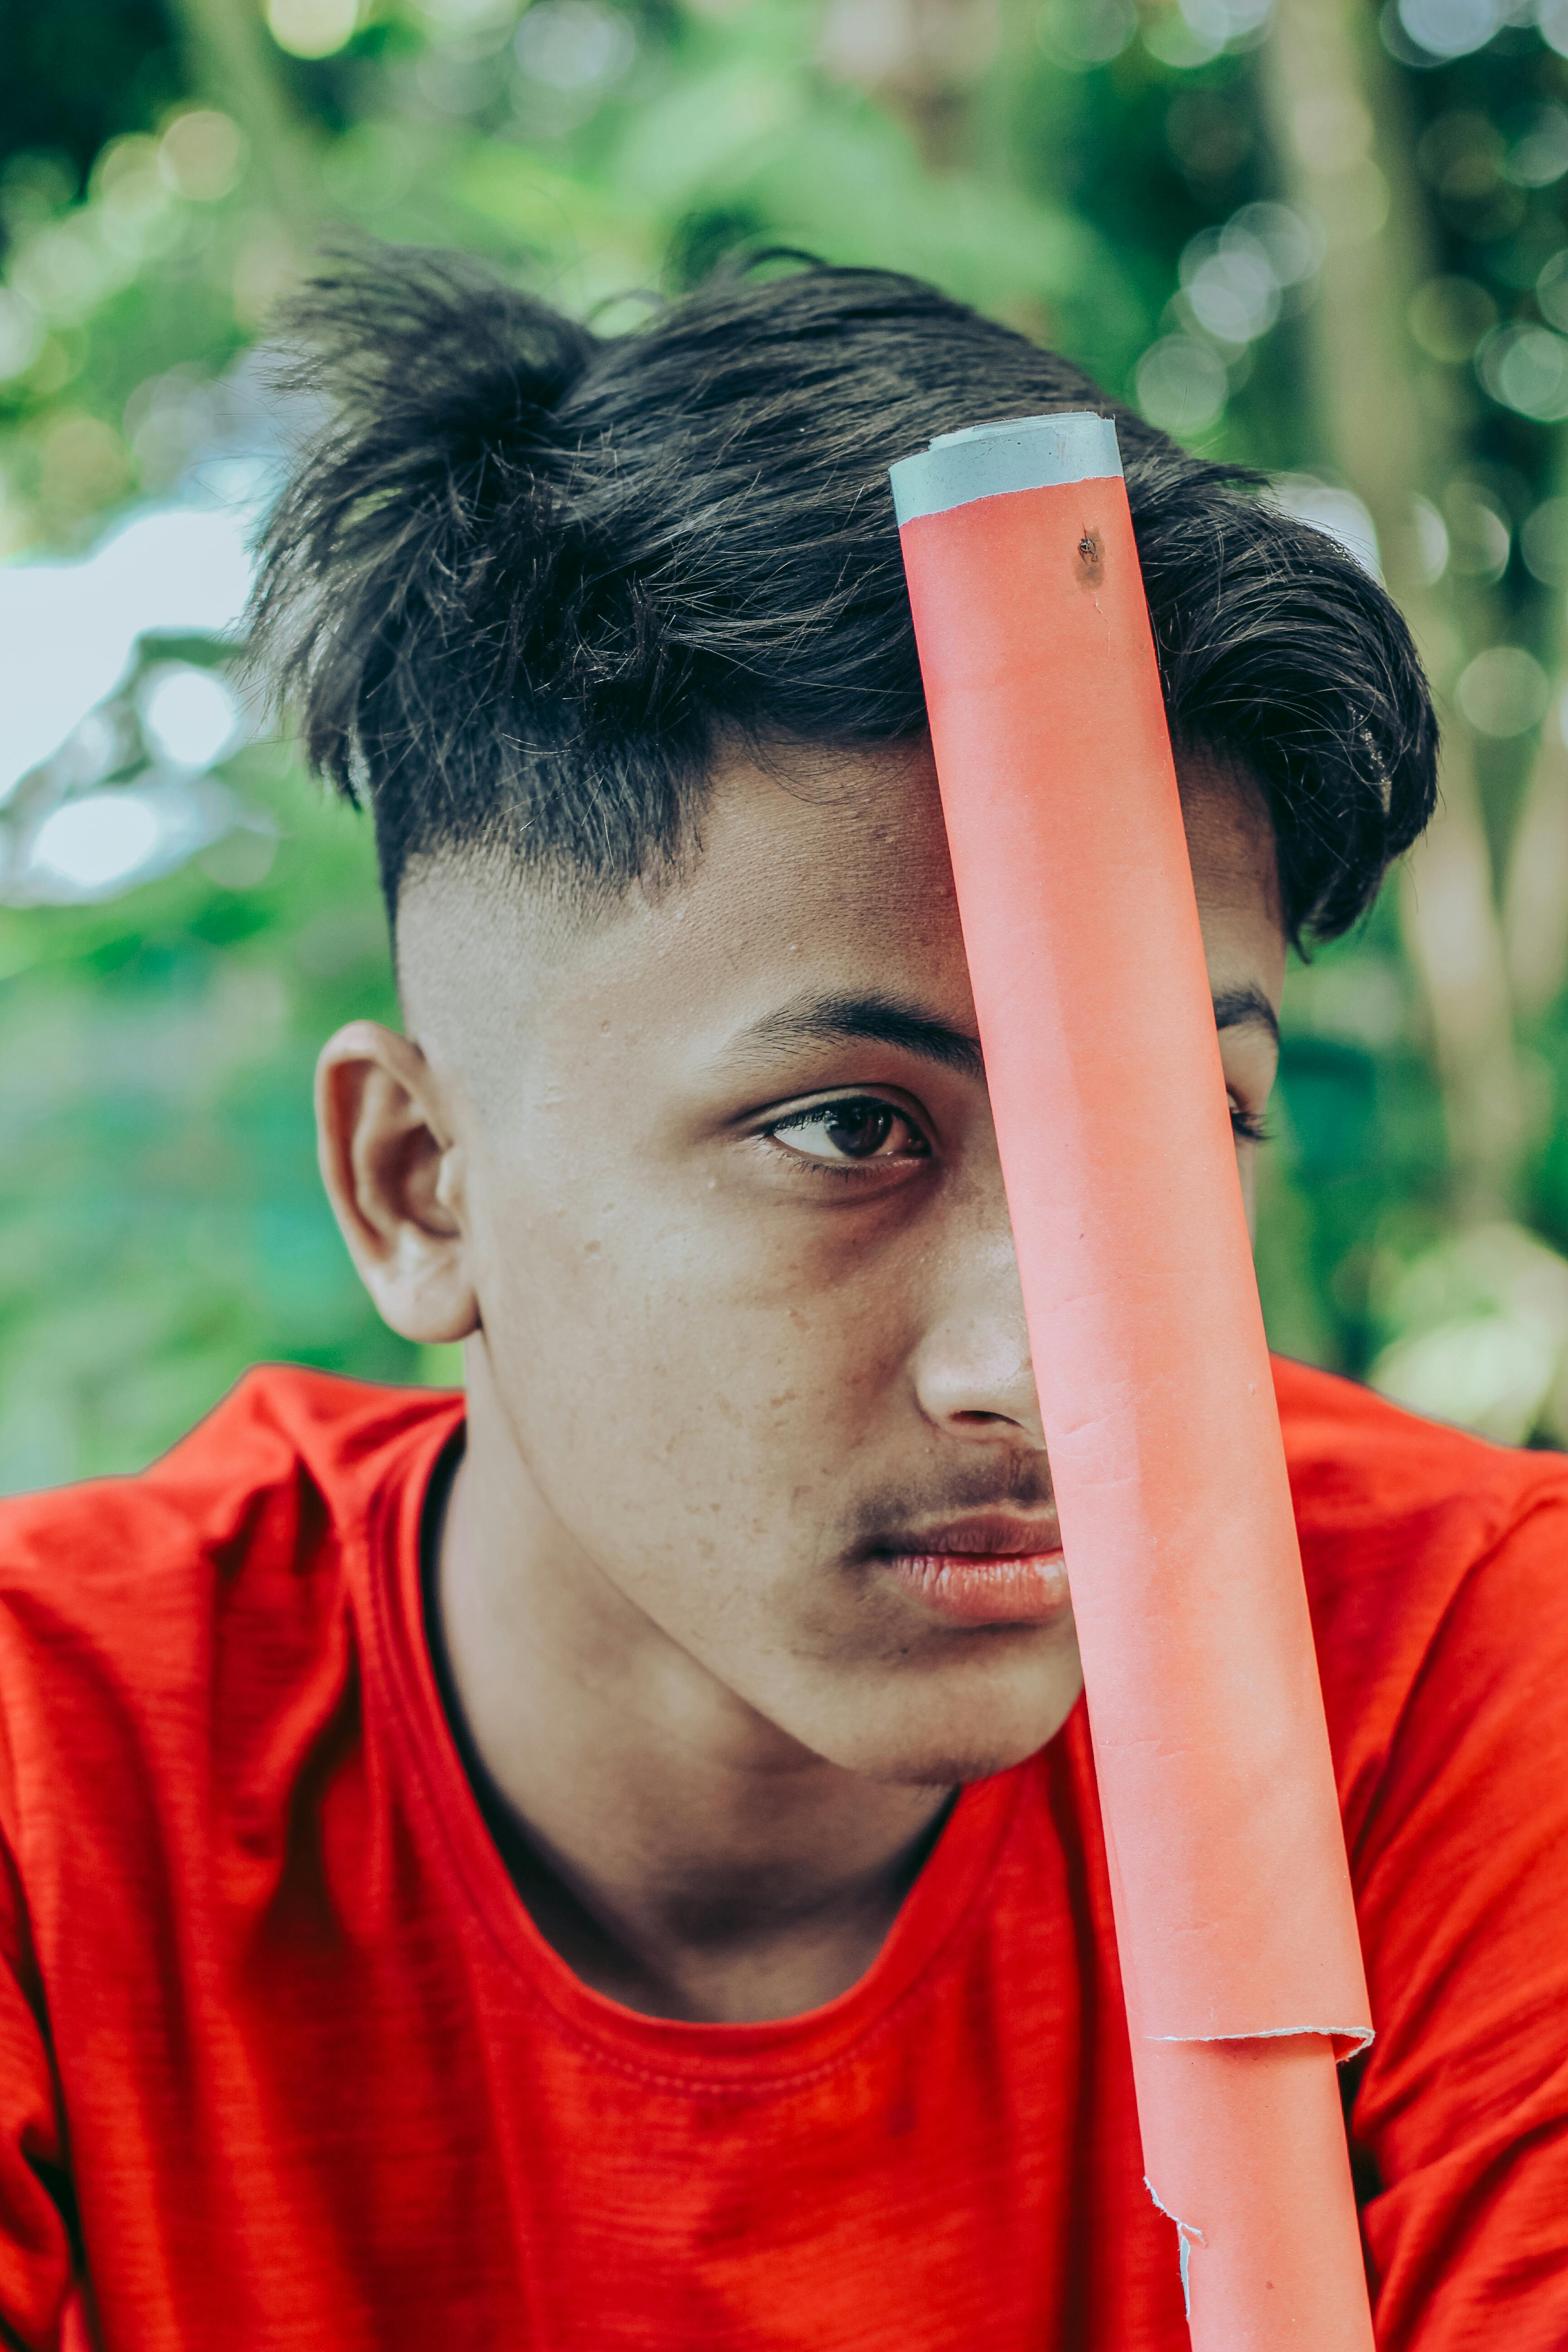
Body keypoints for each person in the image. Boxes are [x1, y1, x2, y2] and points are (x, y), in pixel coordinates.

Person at [1, 252, 1564, 2352]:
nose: (1049, 1377)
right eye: (848, 1129)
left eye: (1179, 1123)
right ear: (418, 1185)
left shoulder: (1454, 1670)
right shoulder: (54, 1794)